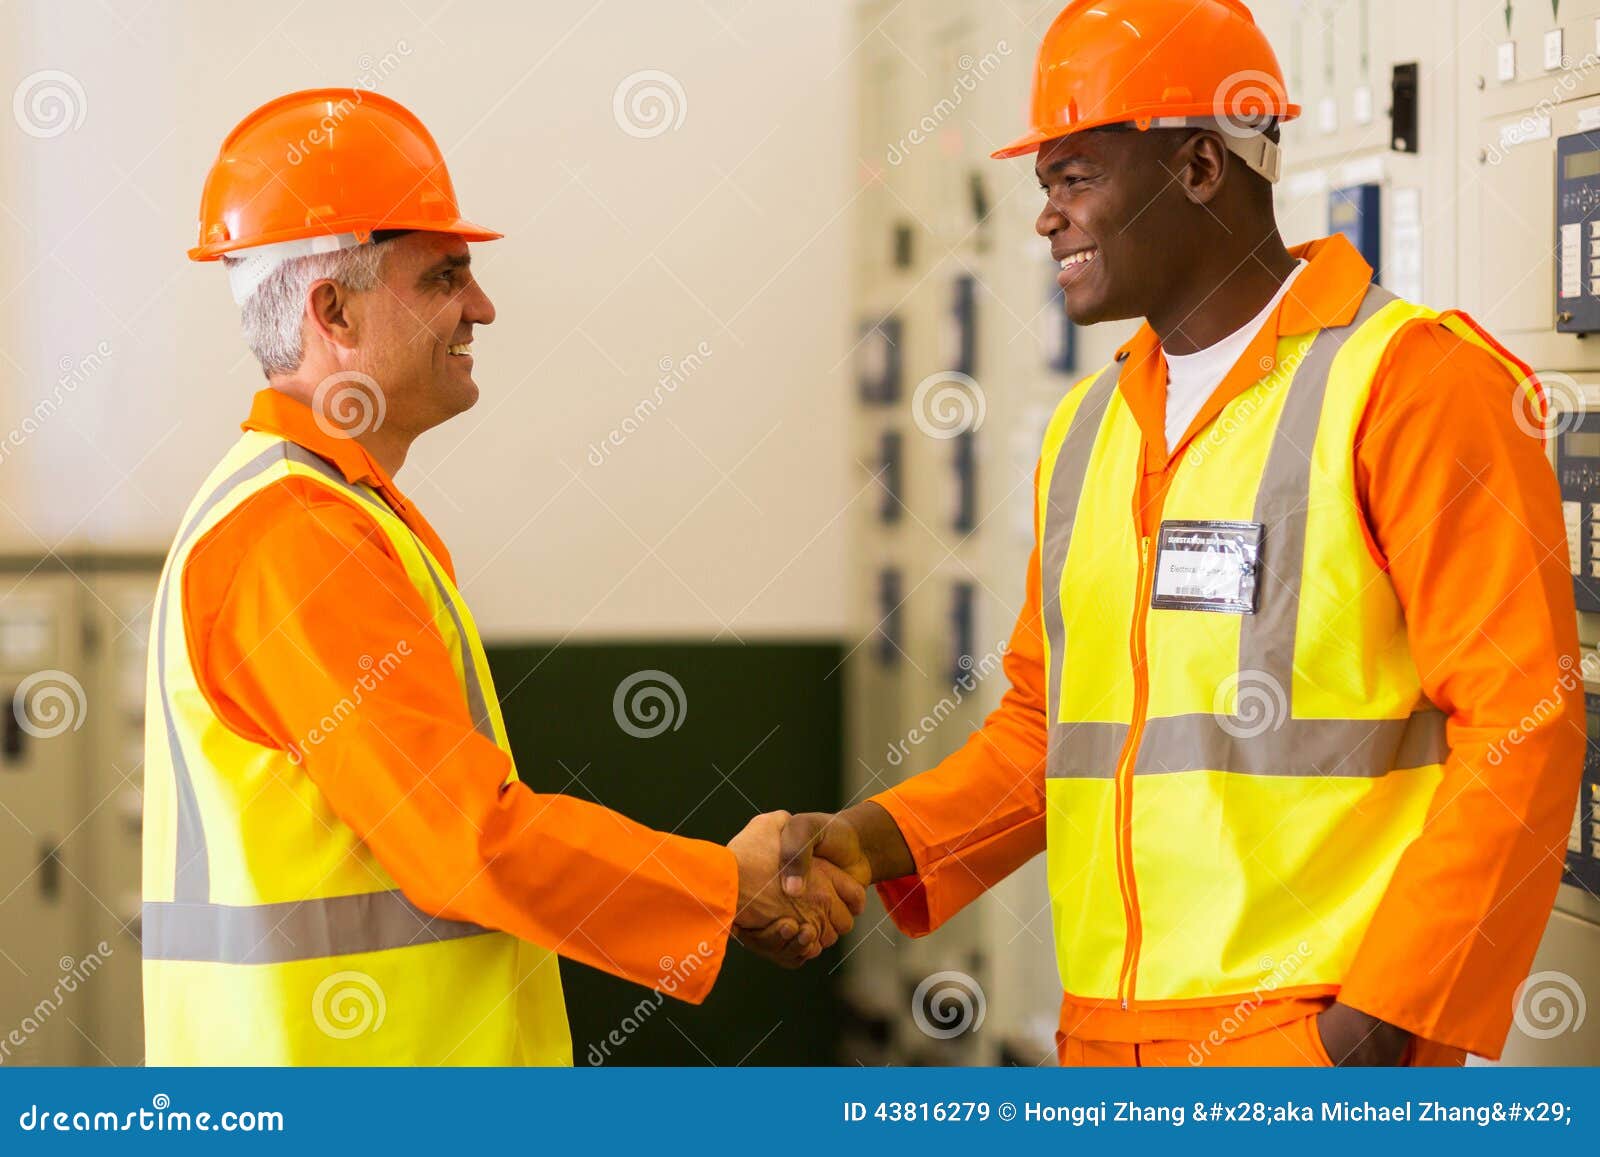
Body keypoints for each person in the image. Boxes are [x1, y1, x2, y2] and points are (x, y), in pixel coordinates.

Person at [780, 0, 1585, 1067]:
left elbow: (1523, 724)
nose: (1047, 219)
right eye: (1043, 185)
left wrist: (1378, 1025)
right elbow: (1045, 727)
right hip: (1106, 1037)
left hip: (1312, 1044)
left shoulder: (1413, 385)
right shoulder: (1089, 427)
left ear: (1200, 166)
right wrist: (868, 838)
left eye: (1075, 178)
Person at [142, 88, 862, 1065]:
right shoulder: (297, 535)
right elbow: (463, 839)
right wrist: (724, 884)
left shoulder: (334, 512)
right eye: (444, 277)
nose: (481, 307)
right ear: (333, 310)